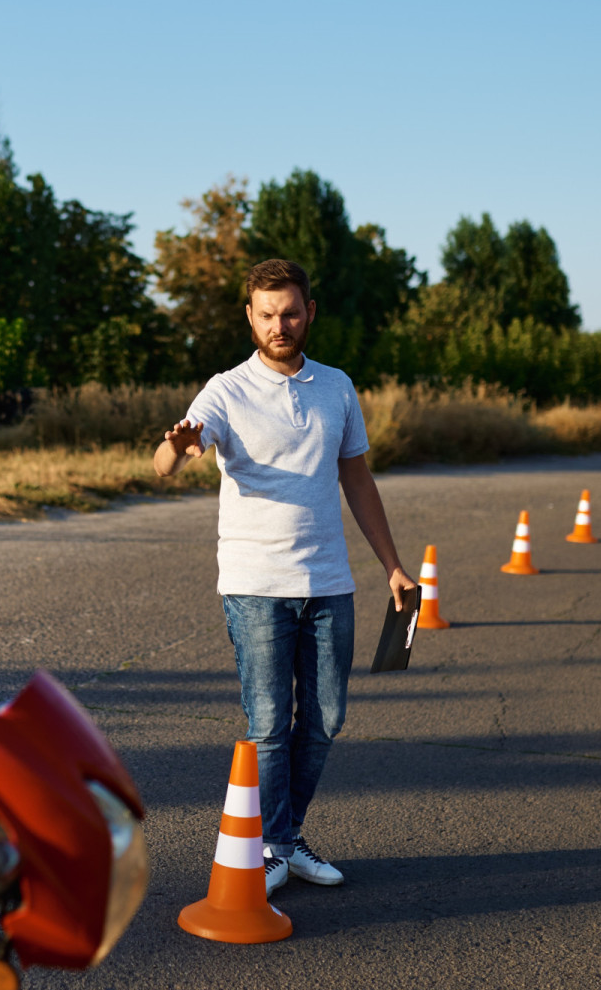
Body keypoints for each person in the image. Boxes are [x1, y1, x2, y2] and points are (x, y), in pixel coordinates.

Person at [154, 258, 419, 894]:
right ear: (249, 315)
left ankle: (287, 836)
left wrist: (394, 566)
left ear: (309, 312)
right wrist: (179, 445)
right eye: (267, 314)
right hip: (255, 585)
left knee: (326, 717)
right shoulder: (224, 390)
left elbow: (356, 477)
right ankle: (274, 845)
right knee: (269, 723)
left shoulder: (336, 387)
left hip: (329, 582)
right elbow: (169, 461)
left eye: (291, 312)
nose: (280, 324)